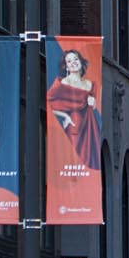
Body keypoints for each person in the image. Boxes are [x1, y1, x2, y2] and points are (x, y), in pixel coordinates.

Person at [44, 48, 103, 216]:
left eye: (75, 59)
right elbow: (49, 101)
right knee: (75, 160)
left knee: (89, 164)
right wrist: (64, 116)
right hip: (74, 129)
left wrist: (92, 104)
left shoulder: (92, 85)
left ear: (80, 61)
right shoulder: (61, 84)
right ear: (66, 66)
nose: (73, 63)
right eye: (69, 61)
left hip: (90, 129)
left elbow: (92, 107)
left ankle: (85, 193)